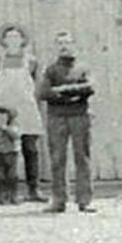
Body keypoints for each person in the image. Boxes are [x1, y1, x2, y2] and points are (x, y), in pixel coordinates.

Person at [36, 30, 96, 214]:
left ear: (74, 45)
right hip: (57, 118)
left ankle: (85, 201)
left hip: (80, 117)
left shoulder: (83, 68)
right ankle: (59, 200)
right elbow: (43, 93)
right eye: (60, 43)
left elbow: (90, 87)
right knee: (57, 159)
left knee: (82, 158)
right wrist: (74, 94)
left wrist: (62, 90)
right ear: (56, 47)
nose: (64, 46)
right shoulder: (51, 69)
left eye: (67, 43)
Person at [0, 23, 45, 202]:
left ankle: (34, 190)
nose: (13, 40)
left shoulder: (32, 62)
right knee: (4, 152)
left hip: (26, 109)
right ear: (3, 41)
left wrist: (31, 101)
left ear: (22, 40)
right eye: (9, 37)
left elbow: (39, 87)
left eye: (16, 37)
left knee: (30, 149)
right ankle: (6, 192)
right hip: (5, 112)